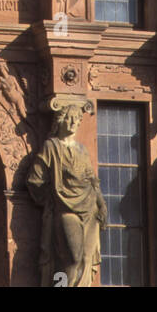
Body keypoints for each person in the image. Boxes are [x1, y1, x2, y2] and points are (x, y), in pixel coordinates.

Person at [27, 99, 108, 287]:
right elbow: (35, 179)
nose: (73, 124)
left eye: (77, 120)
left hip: (89, 208)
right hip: (65, 208)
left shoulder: (82, 149)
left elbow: (92, 180)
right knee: (72, 258)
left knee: (86, 260)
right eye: (69, 119)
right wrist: (52, 195)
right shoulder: (51, 146)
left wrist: (102, 204)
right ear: (60, 120)